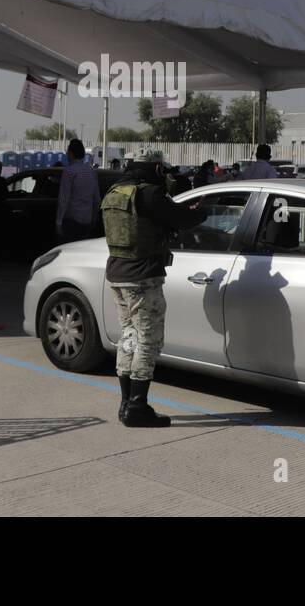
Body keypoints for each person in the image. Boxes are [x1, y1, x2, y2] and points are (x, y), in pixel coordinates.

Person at [101, 151, 204, 428]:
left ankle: (125, 402)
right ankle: (138, 406)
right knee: (148, 339)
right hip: (143, 278)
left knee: (129, 336)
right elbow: (183, 220)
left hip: (118, 275)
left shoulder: (115, 191)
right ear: (157, 168)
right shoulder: (149, 195)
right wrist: (202, 211)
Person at [56, 139, 99, 243]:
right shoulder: (91, 171)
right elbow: (96, 199)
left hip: (71, 221)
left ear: (71, 153)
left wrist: (59, 222)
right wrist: (94, 219)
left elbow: (64, 199)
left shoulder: (69, 171)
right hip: (86, 221)